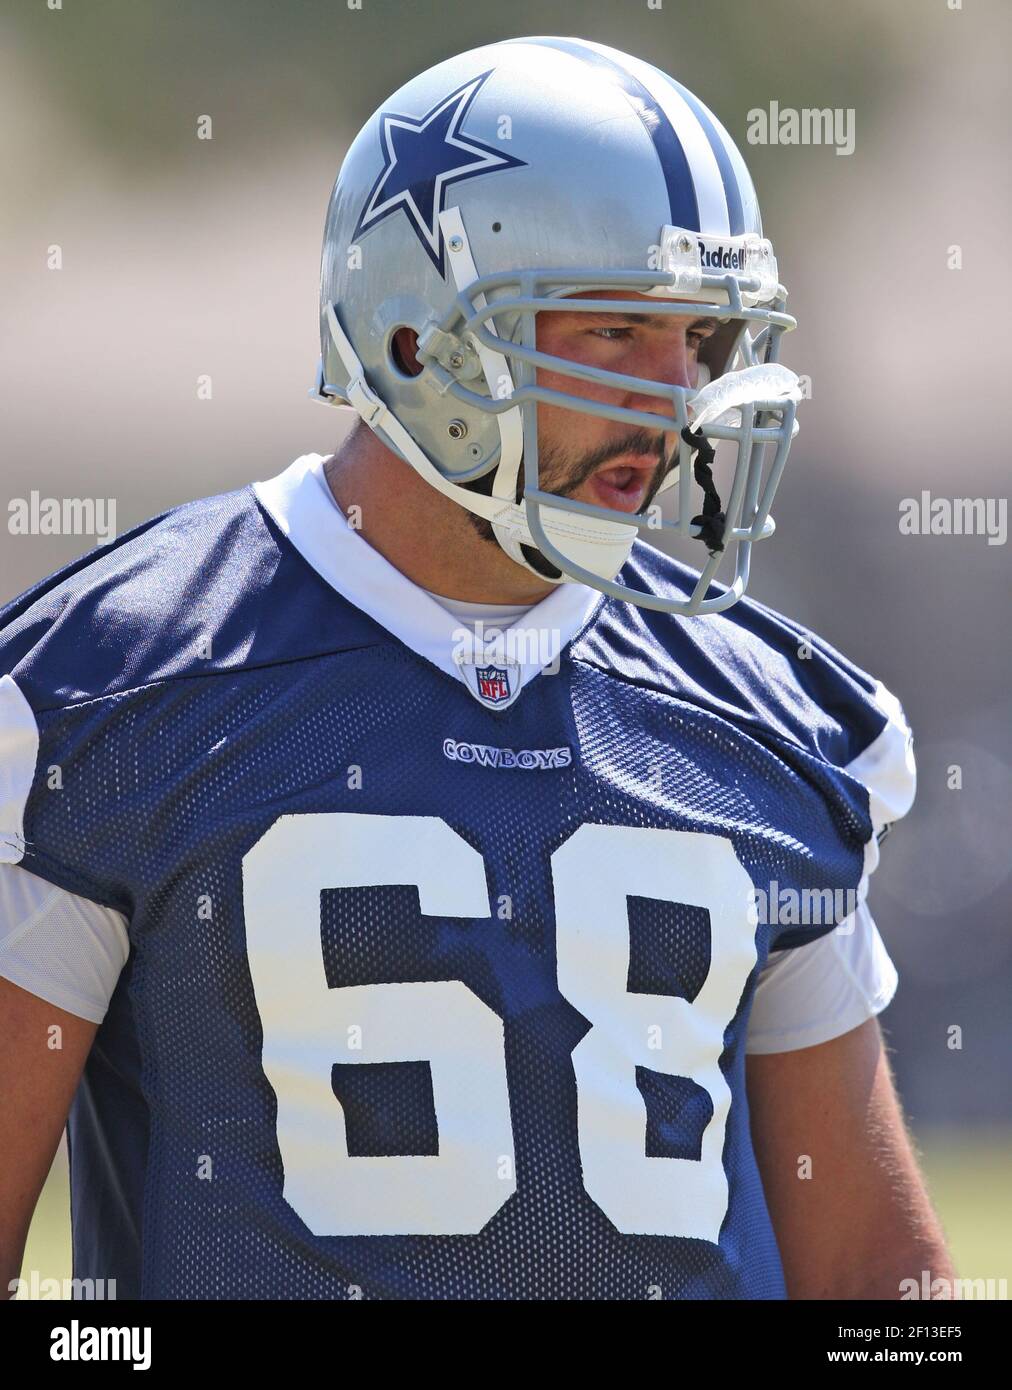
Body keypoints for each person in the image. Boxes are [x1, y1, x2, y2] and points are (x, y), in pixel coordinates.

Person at [0, 36, 951, 1300]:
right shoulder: (116, 690)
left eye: (701, 342)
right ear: (415, 334)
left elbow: (879, 1281)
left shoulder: (764, 722)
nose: (678, 402)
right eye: (615, 332)